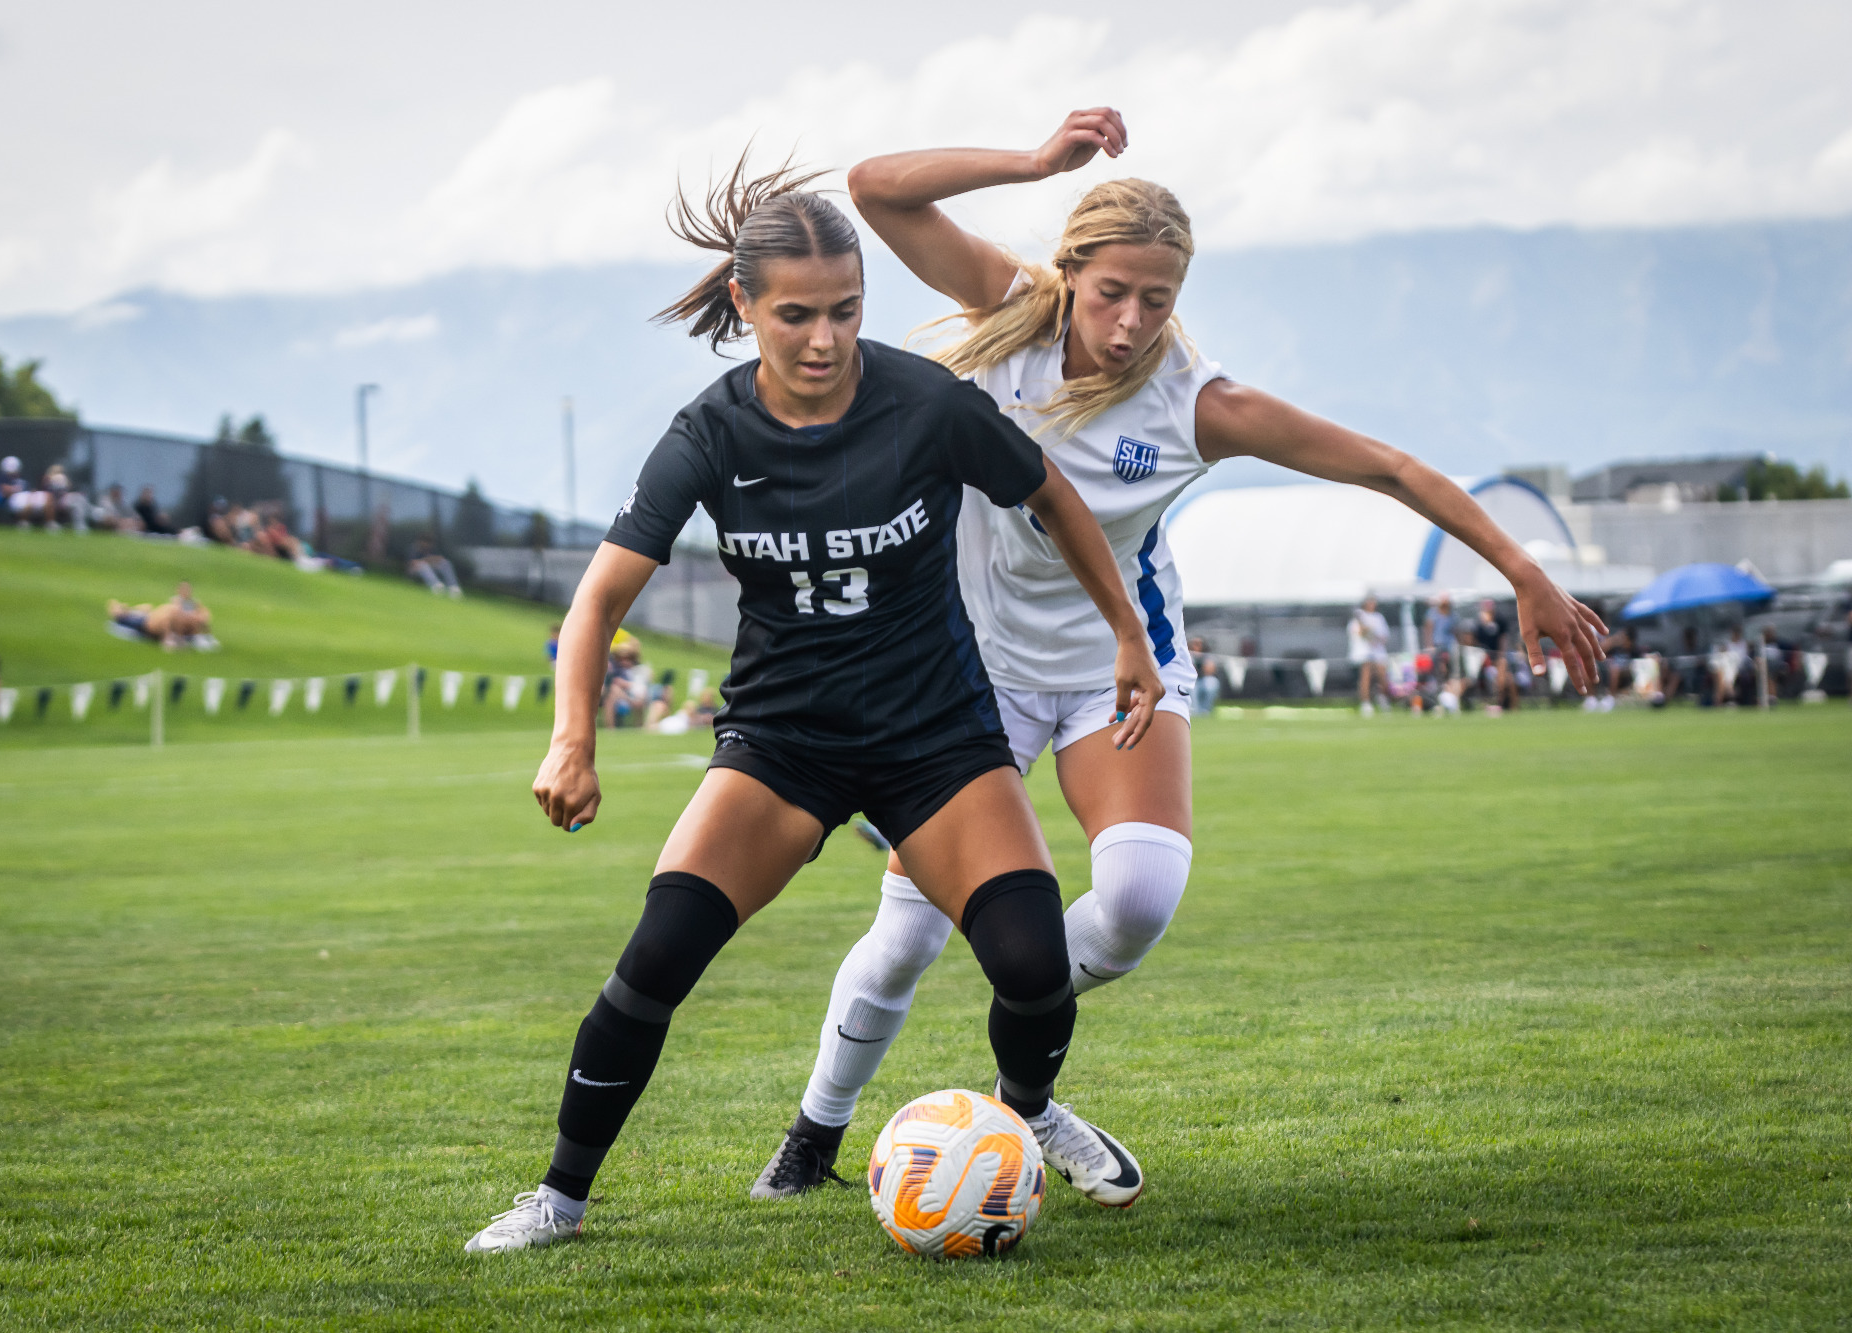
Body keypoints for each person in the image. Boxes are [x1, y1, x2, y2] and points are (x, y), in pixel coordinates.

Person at [755, 108, 1608, 1206]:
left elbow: (1387, 469)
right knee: (905, 936)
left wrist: (1522, 570)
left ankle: (1016, 1099)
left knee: (1138, 900)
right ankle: (813, 1136)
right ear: (1068, 275)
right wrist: (1031, 162)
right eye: (1110, 292)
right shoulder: (1006, 311)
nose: (1128, 321)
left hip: (1124, 667)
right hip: (966, 678)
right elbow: (874, 187)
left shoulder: (1198, 405)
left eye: (1156, 299)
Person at [463, 157, 1167, 1254]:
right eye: (796, 315)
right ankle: (556, 1199)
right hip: (781, 745)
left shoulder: (925, 403)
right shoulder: (710, 433)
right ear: (744, 306)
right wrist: (571, 742)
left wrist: (1126, 632)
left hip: (935, 740)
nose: (824, 338)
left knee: (1031, 965)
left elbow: (1051, 495)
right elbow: (600, 595)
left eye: (845, 311)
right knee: (657, 958)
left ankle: (1021, 1119)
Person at [1348, 594, 1392, 716]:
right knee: (1365, 676)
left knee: (1382, 676)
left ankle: (1383, 698)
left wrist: (1374, 635)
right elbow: (1358, 633)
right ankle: (1366, 703)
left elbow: (1383, 636)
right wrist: (1365, 629)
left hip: (1378, 653)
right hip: (1363, 653)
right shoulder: (1358, 618)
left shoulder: (1379, 617)